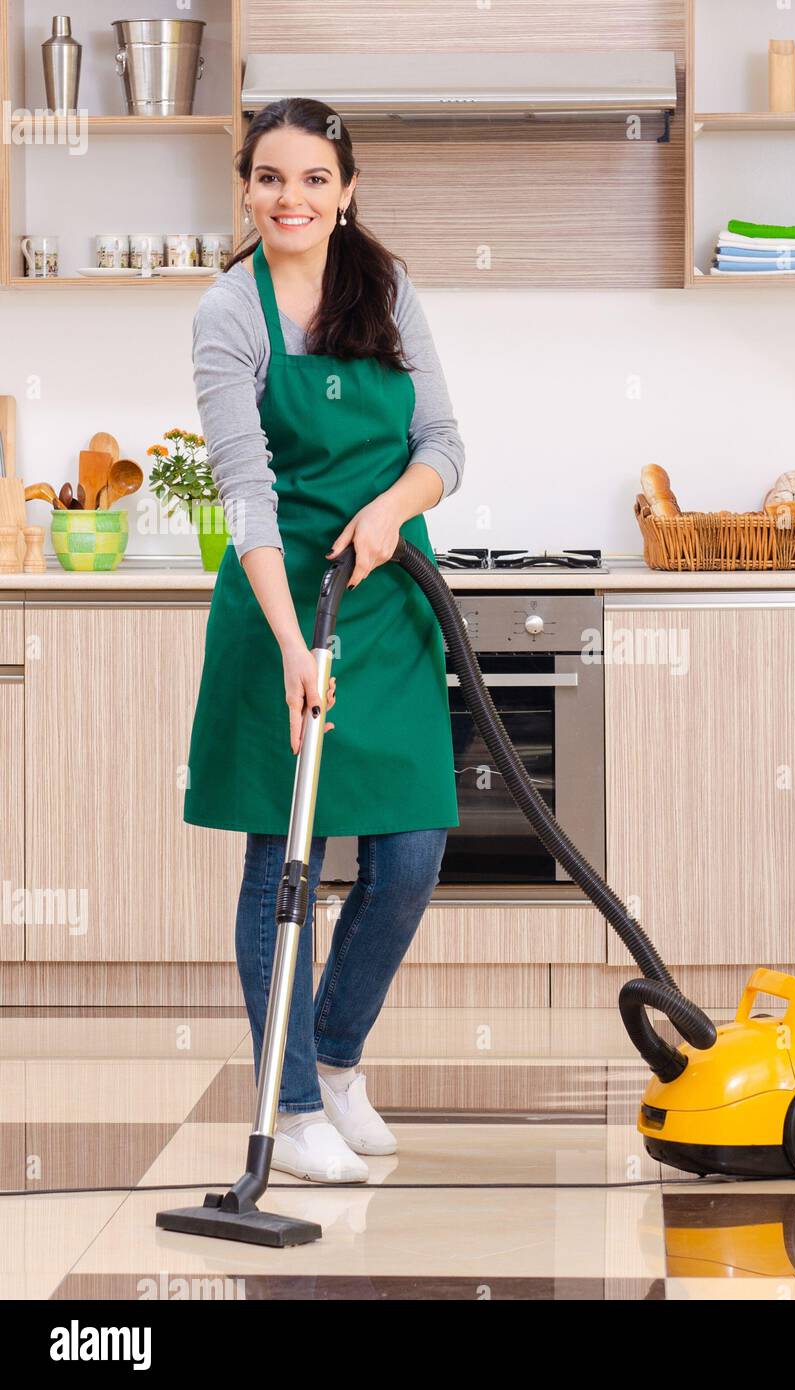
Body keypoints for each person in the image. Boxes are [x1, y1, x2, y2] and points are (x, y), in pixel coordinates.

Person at [182, 97, 464, 1183]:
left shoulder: (386, 293)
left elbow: (443, 441)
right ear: (246, 190)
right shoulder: (227, 312)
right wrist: (296, 643)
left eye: (312, 179)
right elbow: (247, 490)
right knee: (282, 858)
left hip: (387, 595)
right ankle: (290, 1106)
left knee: (408, 852)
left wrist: (396, 510)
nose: (290, 199)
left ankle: (336, 1058)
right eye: (269, 179)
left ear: (347, 192)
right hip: (277, 603)